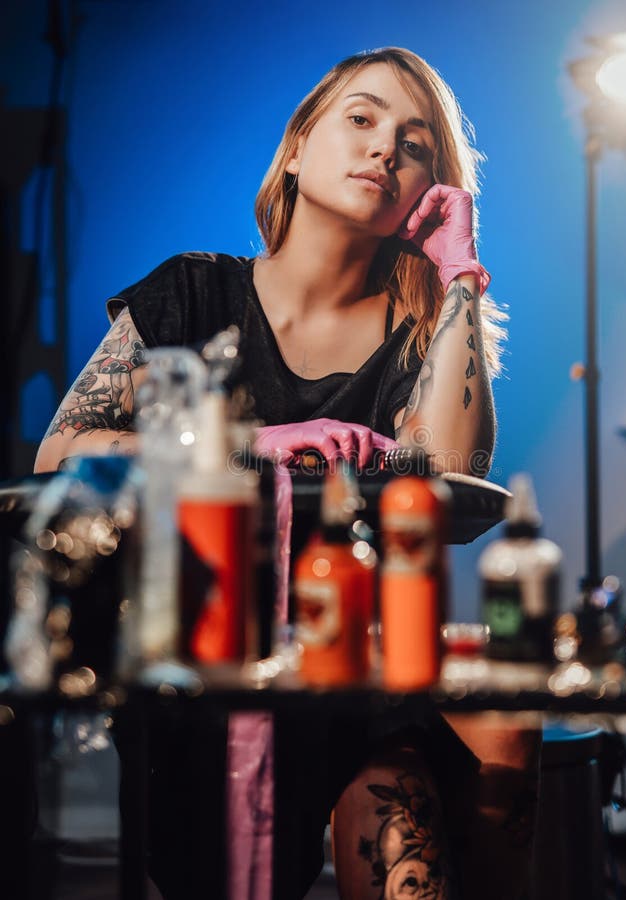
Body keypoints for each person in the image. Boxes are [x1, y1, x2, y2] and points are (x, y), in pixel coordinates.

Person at [35, 47, 540, 899]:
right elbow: (60, 453)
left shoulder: (419, 335)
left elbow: (452, 470)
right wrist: (254, 443)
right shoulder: (191, 293)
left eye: (415, 144)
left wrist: (459, 273)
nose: (384, 148)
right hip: (211, 658)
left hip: (363, 666)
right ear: (298, 147)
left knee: (418, 822)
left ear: (429, 191)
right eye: (362, 118)